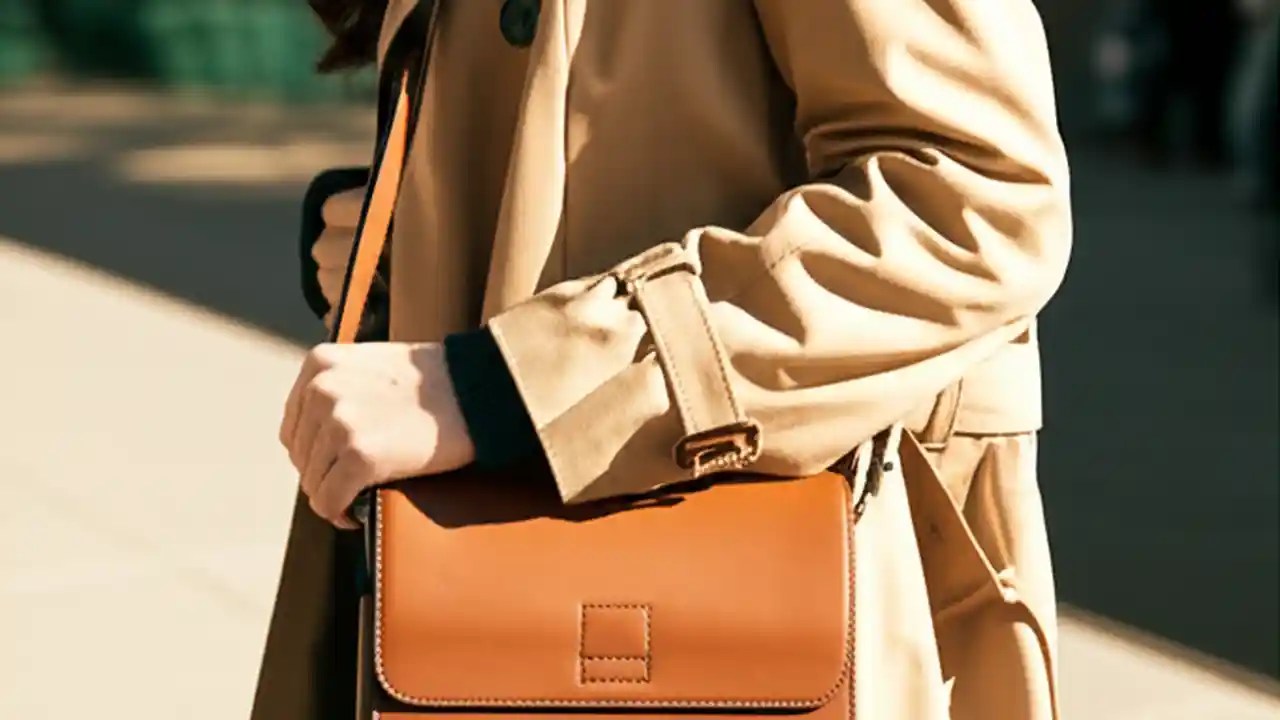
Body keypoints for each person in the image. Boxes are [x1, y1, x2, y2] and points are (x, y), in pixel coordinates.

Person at [253, 1, 1073, 719]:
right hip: (481, 584)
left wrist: (513, 386)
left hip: (763, 607)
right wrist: (423, 231)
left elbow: (974, 207)